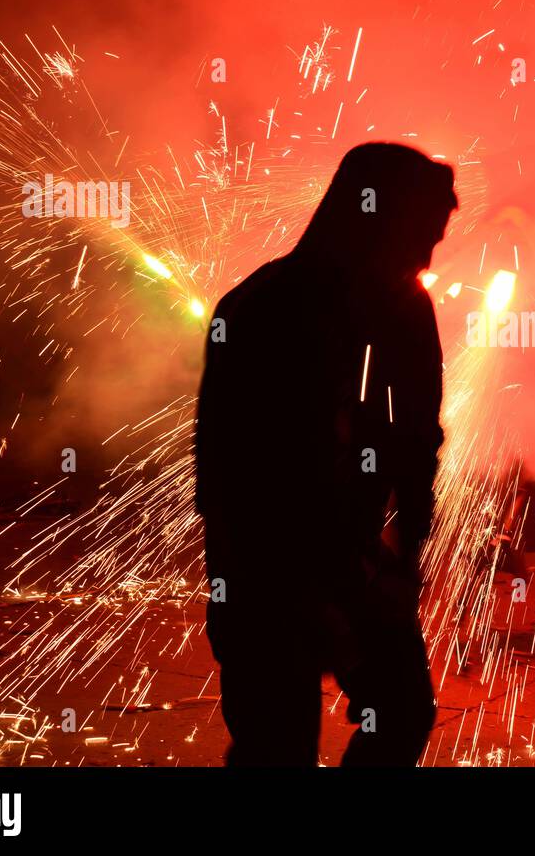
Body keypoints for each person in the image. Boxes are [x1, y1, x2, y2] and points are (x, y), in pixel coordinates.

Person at [195, 143, 456, 766]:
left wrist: (405, 554)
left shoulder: (406, 308)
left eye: (436, 240)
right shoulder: (262, 309)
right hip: (265, 564)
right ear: (374, 217)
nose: (426, 256)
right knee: (277, 745)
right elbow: (229, 465)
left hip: (358, 561)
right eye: (420, 234)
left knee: (402, 710)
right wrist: (292, 585)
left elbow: (417, 439)